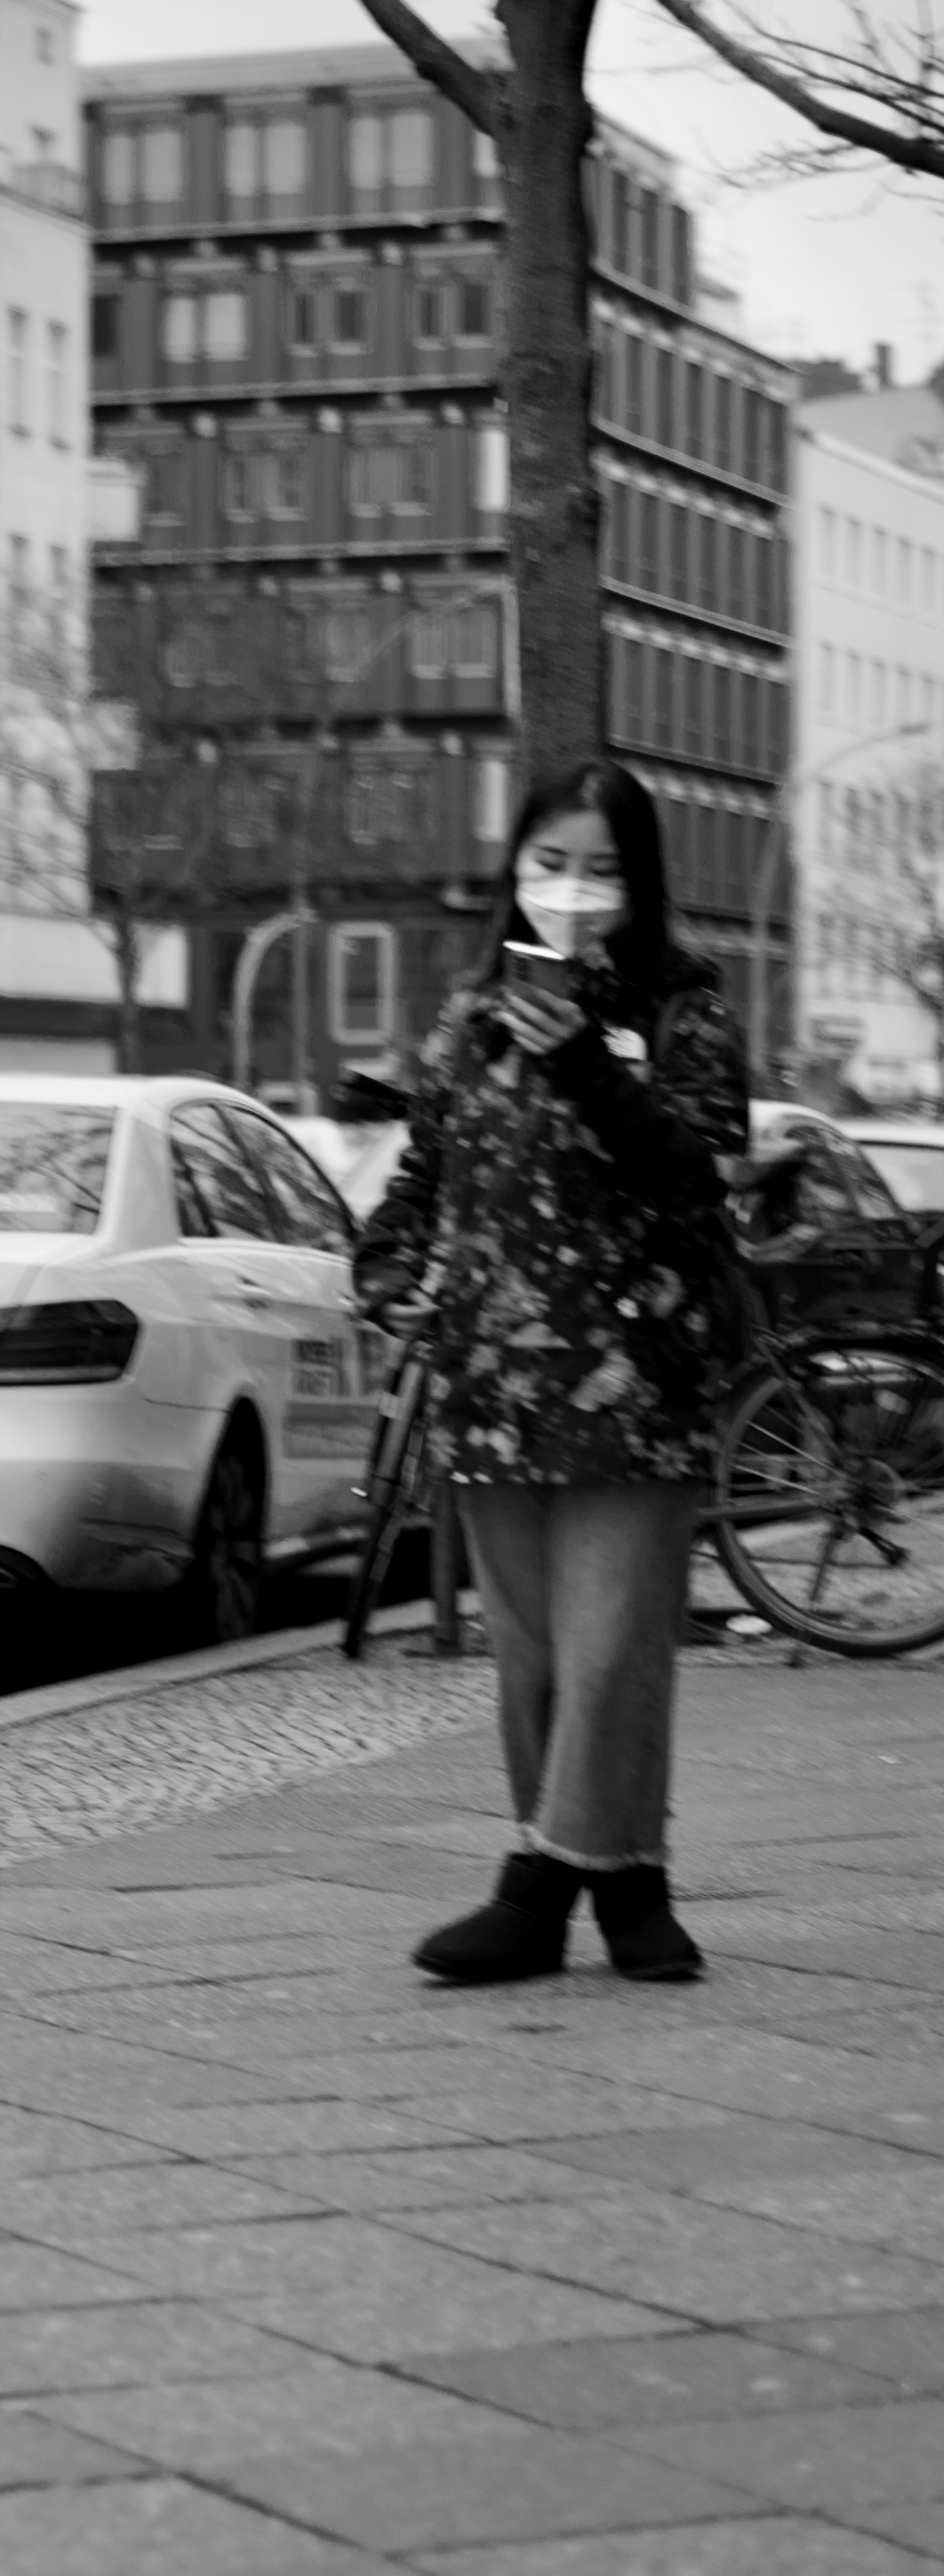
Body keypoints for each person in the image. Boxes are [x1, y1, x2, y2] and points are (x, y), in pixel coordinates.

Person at [355, 755, 748, 1986]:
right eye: (549, 863)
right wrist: (385, 1270)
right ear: (514, 869)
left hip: (635, 1375)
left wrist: (585, 1053)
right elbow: (425, 1178)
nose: (571, 891)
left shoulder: (687, 1013)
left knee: (612, 1645)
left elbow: (700, 1175)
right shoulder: (469, 1021)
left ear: (642, 885)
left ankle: (534, 1889)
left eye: (602, 870)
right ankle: (629, 1884)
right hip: (492, 1380)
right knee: (534, 1656)